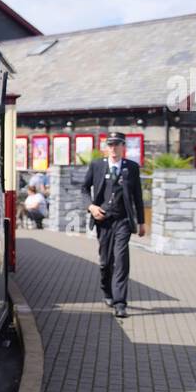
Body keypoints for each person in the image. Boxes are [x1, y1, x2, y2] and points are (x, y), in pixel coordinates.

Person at [81, 132, 145, 318]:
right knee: (105, 262)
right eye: (110, 145)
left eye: (117, 144)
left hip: (123, 220)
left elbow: (138, 197)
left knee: (121, 259)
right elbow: (84, 188)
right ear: (106, 147)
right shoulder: (97, 165)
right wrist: (91, 207)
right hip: (104, 221)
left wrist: (141, 222)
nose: (113, 148)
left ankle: (120, 303)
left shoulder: (131, 167)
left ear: (123, 146)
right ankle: (107, 290)